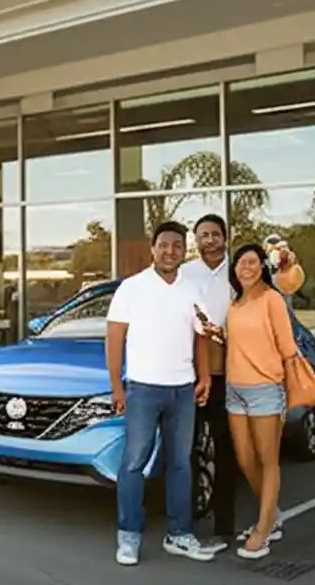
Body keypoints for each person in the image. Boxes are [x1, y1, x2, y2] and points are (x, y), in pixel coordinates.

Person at [105, 220, 216, 567]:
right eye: (164, 245)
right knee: (134, 463)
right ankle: (129, 537)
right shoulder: (132, 288)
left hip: (182, 389)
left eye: (177, 246)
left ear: (185, 251)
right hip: (142, 388)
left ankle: (180, 534)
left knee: (181, 464)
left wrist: (205, 376)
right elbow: (114, 338)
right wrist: (116, 386)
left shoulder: (192, 288)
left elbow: (202, 334)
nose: (171, 251)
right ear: (153, 249)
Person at [224, 243, 301, 560]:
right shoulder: (235, 304)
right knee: (245, 460)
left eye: (253, 261)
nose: (246, 267)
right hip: (234, 390)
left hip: (266, 390)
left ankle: (264, 528)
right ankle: (273, 514)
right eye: (241, 262)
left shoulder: (273, 300)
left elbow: (287, 346)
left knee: (268, 461)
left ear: (262, 267)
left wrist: (287, 386)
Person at [181, 214, 238, 555]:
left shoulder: (239, 270)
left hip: (228, 372)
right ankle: (184, 523)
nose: (210, 240)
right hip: (187, 371)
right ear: (196, 240)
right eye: (203, 235)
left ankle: (224, 526)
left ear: (225, 238)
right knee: (187, 450)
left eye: (216, 234)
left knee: (225, 449)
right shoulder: (186, 272)